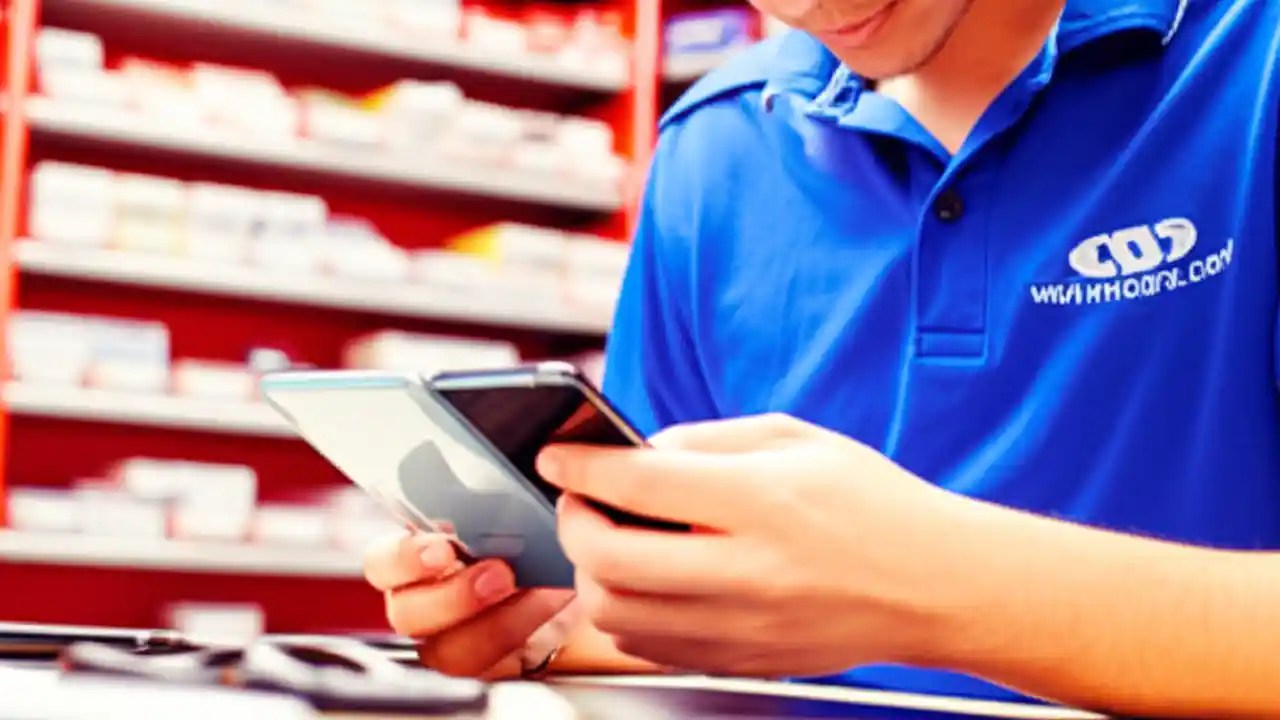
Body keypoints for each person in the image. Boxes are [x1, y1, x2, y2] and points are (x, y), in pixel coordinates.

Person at [363, 0, 1280, 715]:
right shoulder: (714, 147)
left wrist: (931, 583)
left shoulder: (1253, 62)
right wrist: (552, 626)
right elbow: (677, 600)